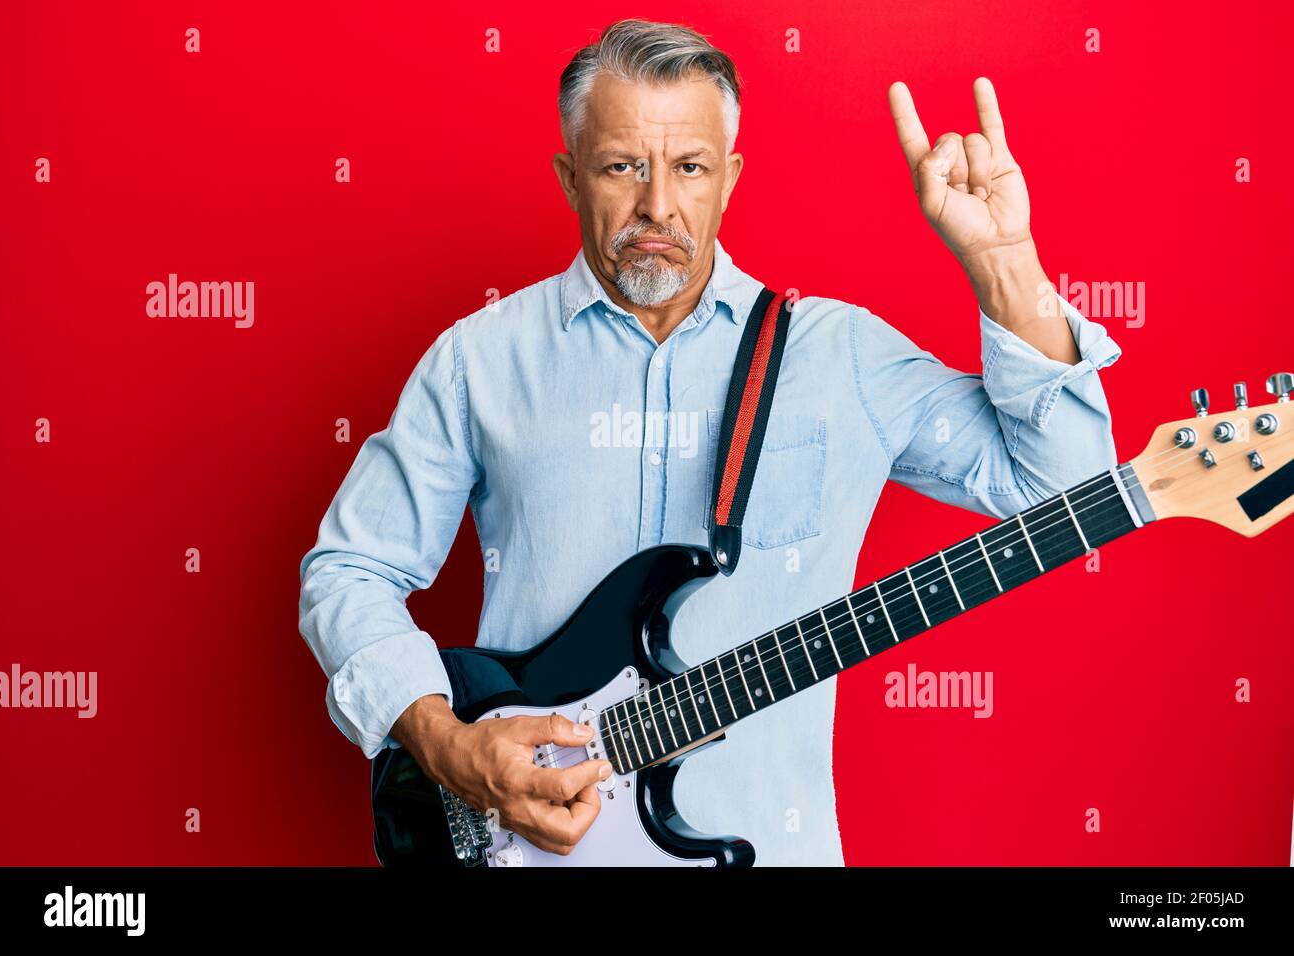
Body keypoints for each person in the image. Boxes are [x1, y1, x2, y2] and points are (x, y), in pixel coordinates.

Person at [298, 18, 1121, 865]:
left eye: (689, 167)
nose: (658, 205)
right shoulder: (481, 359)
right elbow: (348, 570)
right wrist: (447, 745)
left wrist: (1005, 262)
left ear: (728, 179)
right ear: (569, 177)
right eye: (623, 166)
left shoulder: (840, 356)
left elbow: (1068, 488)